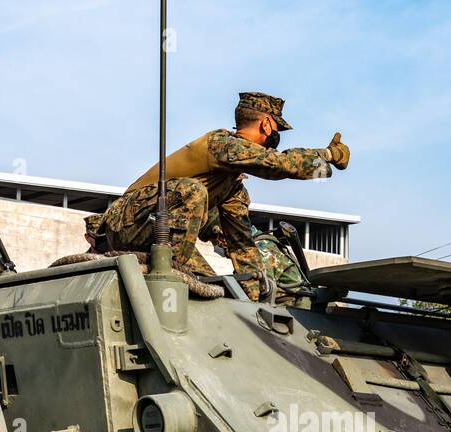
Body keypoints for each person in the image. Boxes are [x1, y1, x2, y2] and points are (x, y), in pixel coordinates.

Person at [102, 91, 348, 300]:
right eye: (277, 127)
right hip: (127, 221)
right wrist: (328, 155)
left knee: (211, 286)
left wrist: (256, 297)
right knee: (194, 192)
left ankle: (176, 273)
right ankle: (170, 272)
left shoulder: (232, 185)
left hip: (157, 235)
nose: (276, 135)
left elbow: (241, 244)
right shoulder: (221, 145)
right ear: (266, 124)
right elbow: (279, 164)